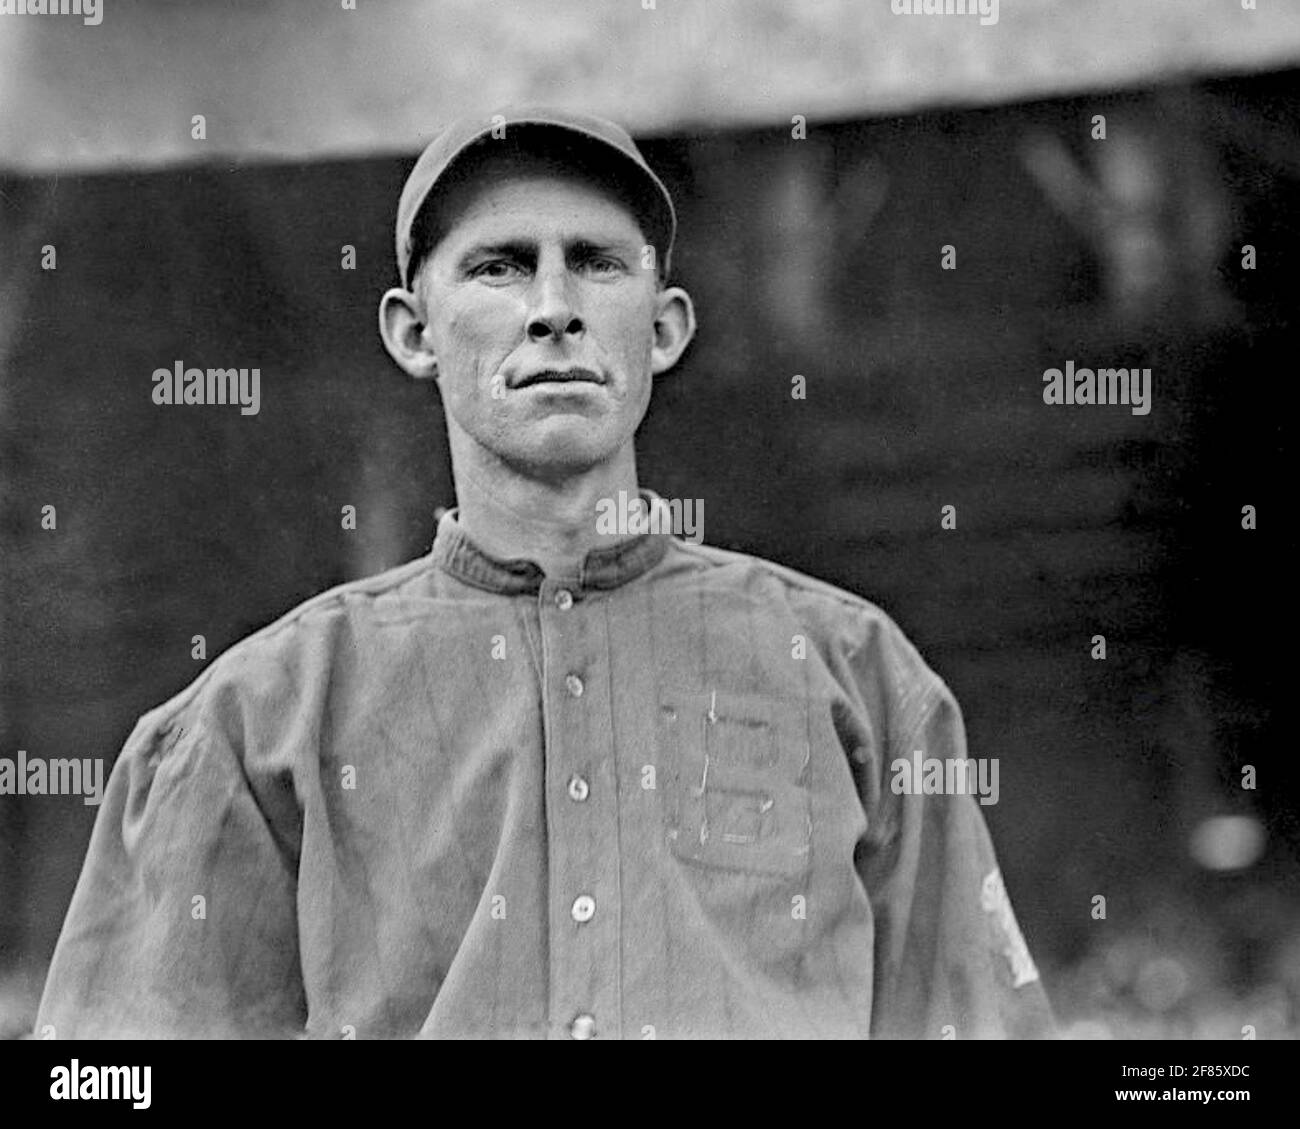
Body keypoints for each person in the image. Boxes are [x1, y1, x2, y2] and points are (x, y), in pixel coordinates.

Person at [36, 106, 1055, 1039]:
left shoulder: (855, 678)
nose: (553, 307)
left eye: (599, 264)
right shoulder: (257, 723)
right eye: (499, 267)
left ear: (663, 330)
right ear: (411, 331)